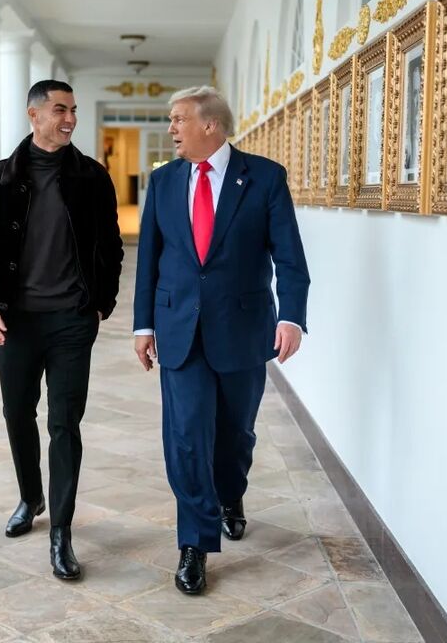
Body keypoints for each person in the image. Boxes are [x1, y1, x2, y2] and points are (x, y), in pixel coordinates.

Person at [133, 86, 310, 595]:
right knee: (187, 436)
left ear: (210, 125)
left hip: (242, 329)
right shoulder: (164, 181)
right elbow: (150, 258)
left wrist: (292, 318)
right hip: (179, 331)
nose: (171, 129)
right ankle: (195, 541)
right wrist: (143, 326)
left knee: (235, 435)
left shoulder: (265, 178)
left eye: (179, 119)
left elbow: (289, 256)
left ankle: (231, 493)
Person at [0, 80, 123, 581]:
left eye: (73, 109)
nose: (69, 118)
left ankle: (61, 531)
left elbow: (111, 246)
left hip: (72, 319)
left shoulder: (92, 177)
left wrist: (100, 303)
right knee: (17, 413)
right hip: (17, 321)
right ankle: (30, 496)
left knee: (64, 423)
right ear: (33, 115)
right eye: (59, 109)